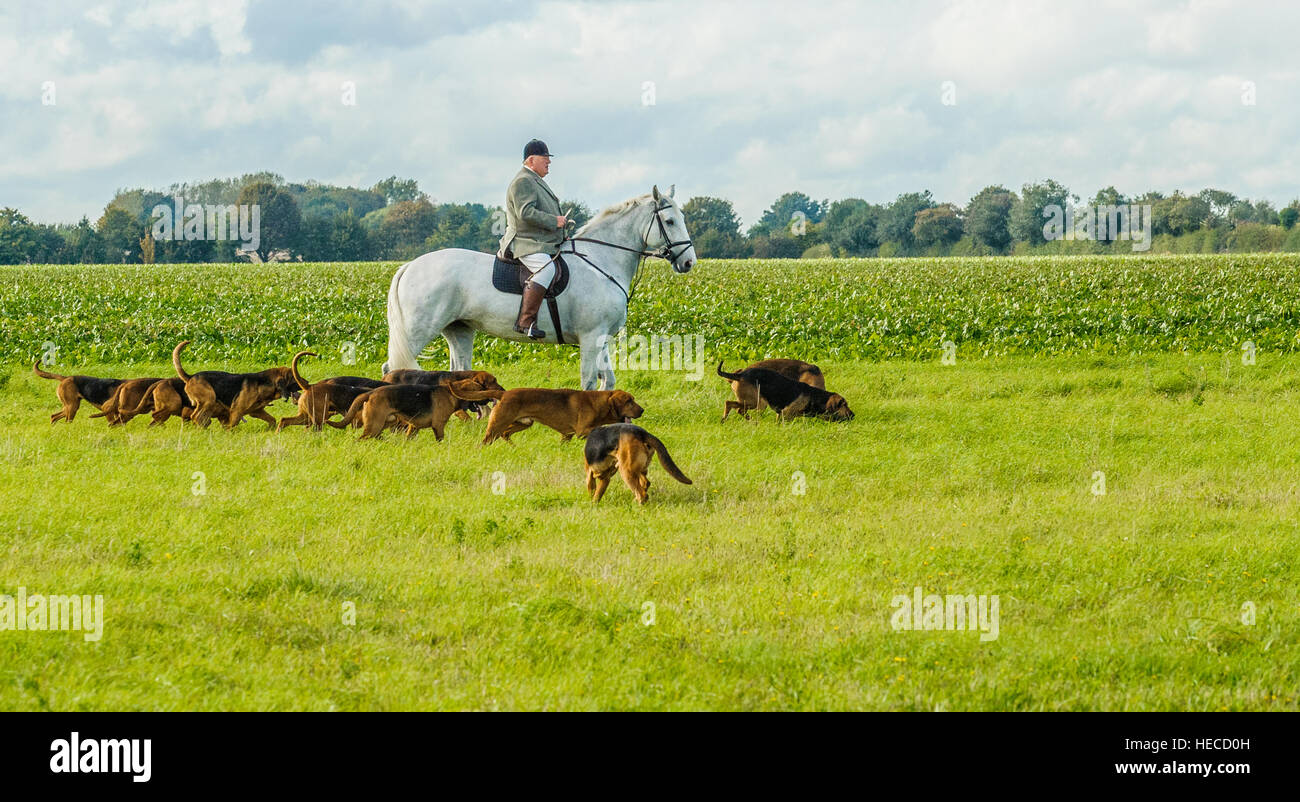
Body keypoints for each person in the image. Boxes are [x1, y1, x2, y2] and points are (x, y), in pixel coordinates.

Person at [499, 139, 567, 339]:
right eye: (545, 157)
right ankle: (526, 321)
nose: (549, 161)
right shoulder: (523, 181)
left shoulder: (534, 180)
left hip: (538, 241)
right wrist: (554, 221)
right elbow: (525, 212)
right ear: (531, 160)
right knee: (546, 269)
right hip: (524, 242)